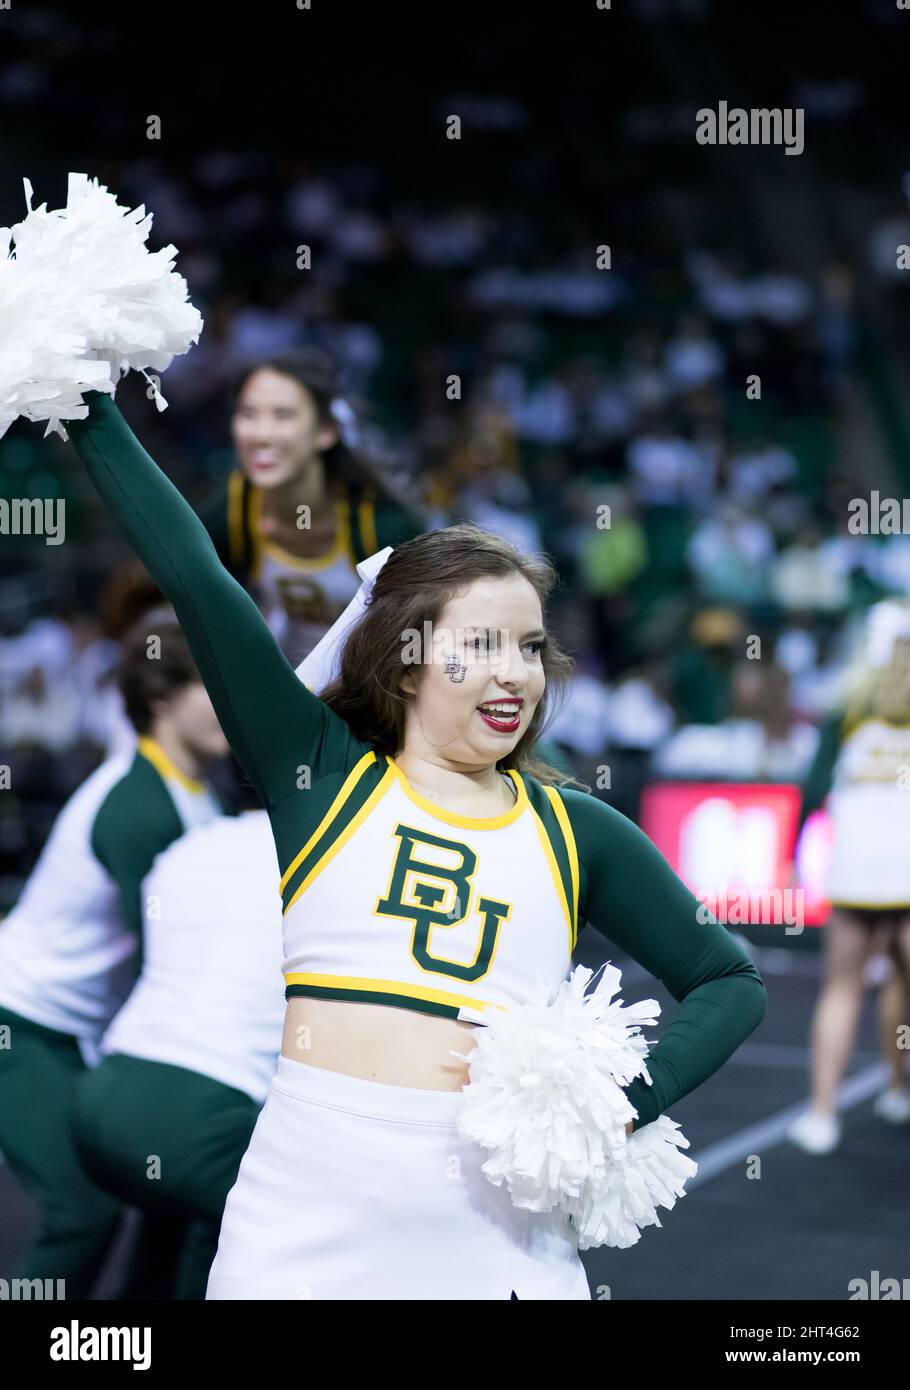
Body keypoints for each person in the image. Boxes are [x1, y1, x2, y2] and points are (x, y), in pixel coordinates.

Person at [66, 390, 767, 1300]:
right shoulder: (320, 774)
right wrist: (85, 407)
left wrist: (619, 1104)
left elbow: (731, 981)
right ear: (405, 656)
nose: (516, 672)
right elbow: (198, 579)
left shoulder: (574, 828)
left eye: (530, 646)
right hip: (301, 1211)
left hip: (498, 1229)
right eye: (482, 644)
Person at [0, 611, 229, 1296]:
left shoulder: (196, 802)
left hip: (74, 1034)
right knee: (83, 1212)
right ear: (161, 699)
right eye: (209, 687)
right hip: (22, 1023)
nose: (230, 701)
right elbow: (172, 964)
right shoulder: (137, 804)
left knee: (166, 1194)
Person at [72, 768, 285, 1299]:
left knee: (172, 1222)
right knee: (270, 1223)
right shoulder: (323, 856)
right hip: (199, 1110)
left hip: (104, 1094)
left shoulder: (187, 846)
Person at [196, 348, 431, 662]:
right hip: (281, 686)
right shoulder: (228, 517)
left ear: (326, 431)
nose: (261, 435)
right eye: (248, 414)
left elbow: (422, 639)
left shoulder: (385, 526)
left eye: (283, 415)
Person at [788, 603, 910, 1155]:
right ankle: (894, 1086)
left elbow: (813, 788)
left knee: (842, 987)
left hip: (856, 867)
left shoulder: (847, 706)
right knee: (901, 981)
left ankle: (822, 1111)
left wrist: (792, 853)